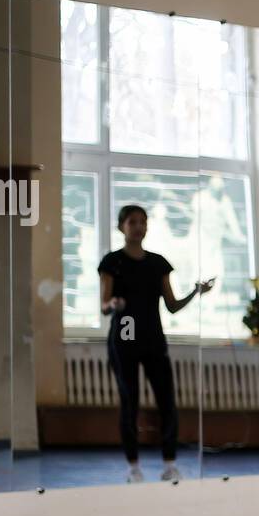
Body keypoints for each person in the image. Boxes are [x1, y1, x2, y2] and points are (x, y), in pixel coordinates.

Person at [98, 204, 214, 484]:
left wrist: (195, 292)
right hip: (124, 340)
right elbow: (103, 306)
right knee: (130, 402)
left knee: (167, 402)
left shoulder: (158, 263)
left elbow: (172, 305)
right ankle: (133, 468)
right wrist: (113, 304)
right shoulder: (112, 262)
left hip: (153, 339)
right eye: (132, 221)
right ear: (121, 227)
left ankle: (169, 465)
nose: (138, 226)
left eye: (143, 221)